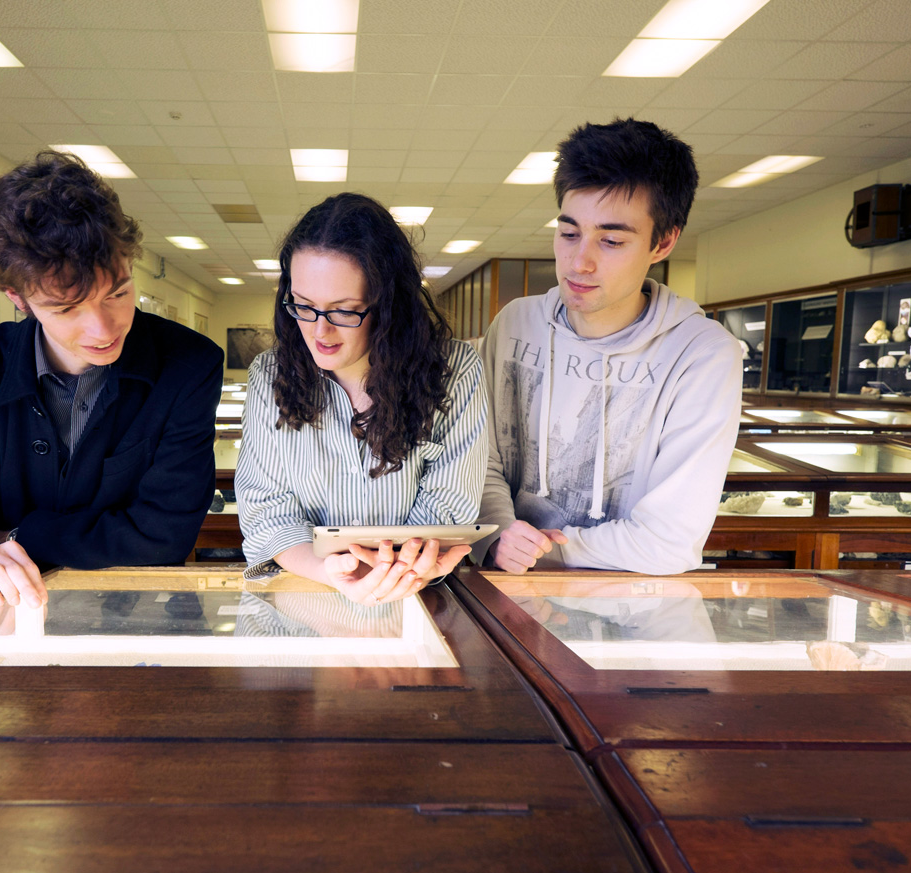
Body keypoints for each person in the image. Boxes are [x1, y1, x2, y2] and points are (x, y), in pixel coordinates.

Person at [0, 151, 223, 607]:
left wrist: (10, 535)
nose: (104, 329)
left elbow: (162, 533)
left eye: (118, 293)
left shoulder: (189, 363)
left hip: (139, 608)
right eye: (67, 308)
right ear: (19, 298)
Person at [476, 118, 742, 575]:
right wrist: (500, 530)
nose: (580, 261)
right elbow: (480, 457)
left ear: (663, 241)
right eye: (568, 233)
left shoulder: (702, 355)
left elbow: (668, 542)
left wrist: (543, 549)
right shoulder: (515, 323)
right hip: (504, 584)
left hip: (630, 601)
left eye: (612, 240)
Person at [235, 193, 488, 606]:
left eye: (344, 311)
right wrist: (330, 572)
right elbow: (266, 510)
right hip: (305, 602)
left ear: (389, 306)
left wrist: (388, 574)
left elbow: (448, 504)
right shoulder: (270, 373)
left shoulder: (455, 370)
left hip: (413, 597)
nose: (319, 332)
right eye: (303, 306)